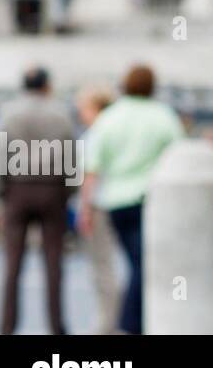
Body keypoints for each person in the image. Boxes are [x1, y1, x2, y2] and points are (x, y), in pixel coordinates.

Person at [79, 65, 185, 335]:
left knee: (137, 260)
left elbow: (92, 168)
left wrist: (86, 208)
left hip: (115, 202)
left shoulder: (109, 118)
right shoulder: (163, 116)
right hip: (154, 201)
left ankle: (132, 321)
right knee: (143, 262)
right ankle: (131, 322)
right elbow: (180, 157)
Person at [0, 66, 76, 335]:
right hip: (52, 189)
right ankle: (57, 326)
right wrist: (68, 192)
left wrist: (0, 194)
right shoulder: (60, 113)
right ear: (46, 85)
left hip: (17, 189)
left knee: (12, 264)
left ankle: (6, 327)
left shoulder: (7, 113)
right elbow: (71, 155)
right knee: (54, 263)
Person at [75, 86, 120, 335]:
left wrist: (85, 210)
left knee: (102, 267)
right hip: (117, 202)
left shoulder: (96, 134)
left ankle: (107, 323)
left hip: (99, 205)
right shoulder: (116, 131)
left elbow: (90, 175)